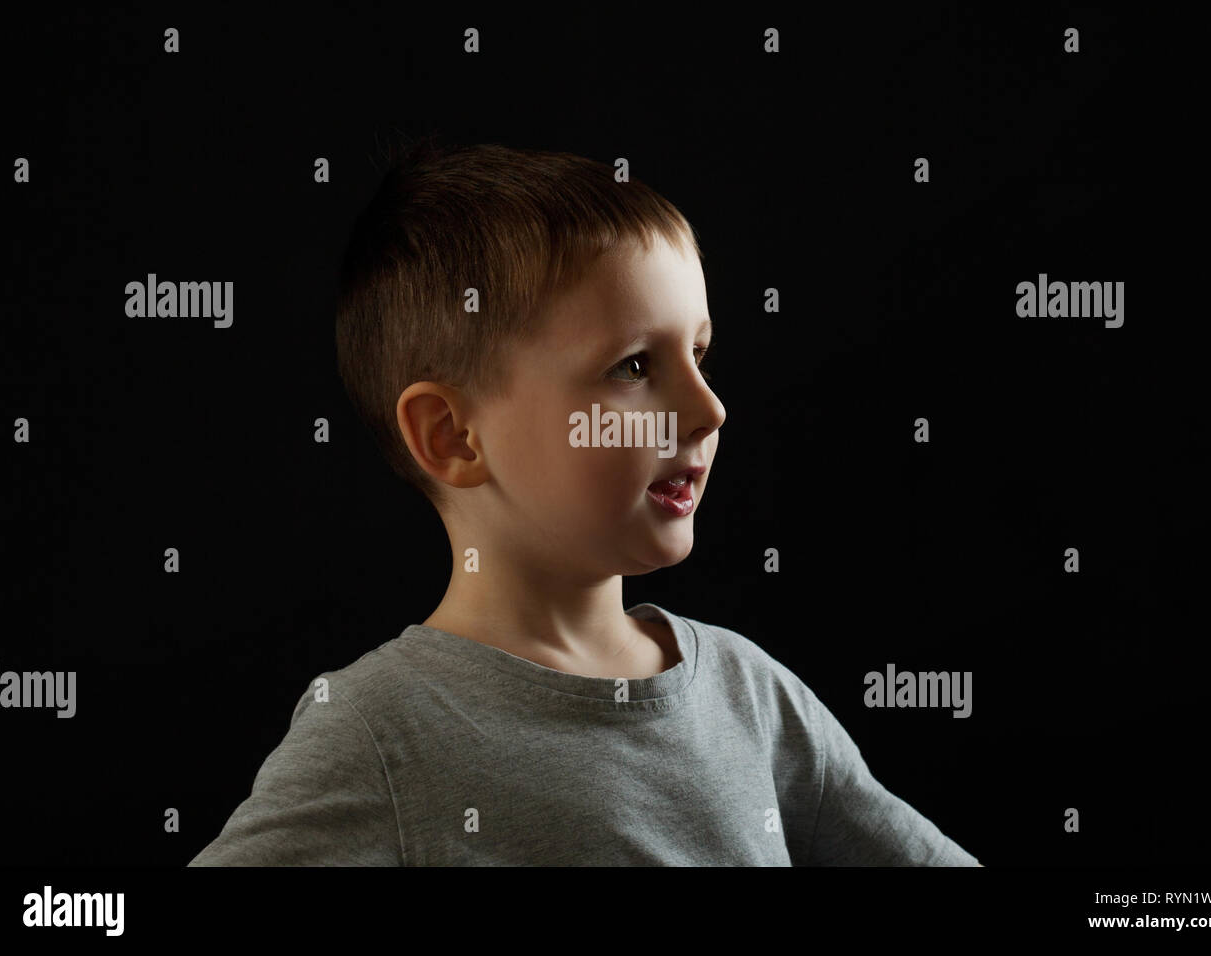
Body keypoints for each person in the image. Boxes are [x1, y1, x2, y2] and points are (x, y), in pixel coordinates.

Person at [188, 137, 981, 866]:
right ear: (454, 436)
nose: (708, 410)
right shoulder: (380, 733)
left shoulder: (750, 692)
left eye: (699, 353)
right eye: (635, 367)